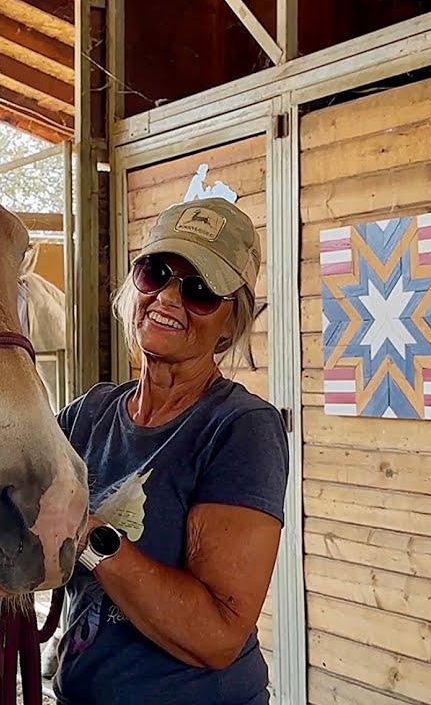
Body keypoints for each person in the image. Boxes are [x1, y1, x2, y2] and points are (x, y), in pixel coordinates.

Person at [50, 197, 289, 705]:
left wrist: (87, 534)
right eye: (155, 272)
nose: (168, 297)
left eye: (200, 291)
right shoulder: (87, 414)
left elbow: (218, 637)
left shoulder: (240, 429)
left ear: (230, 325)